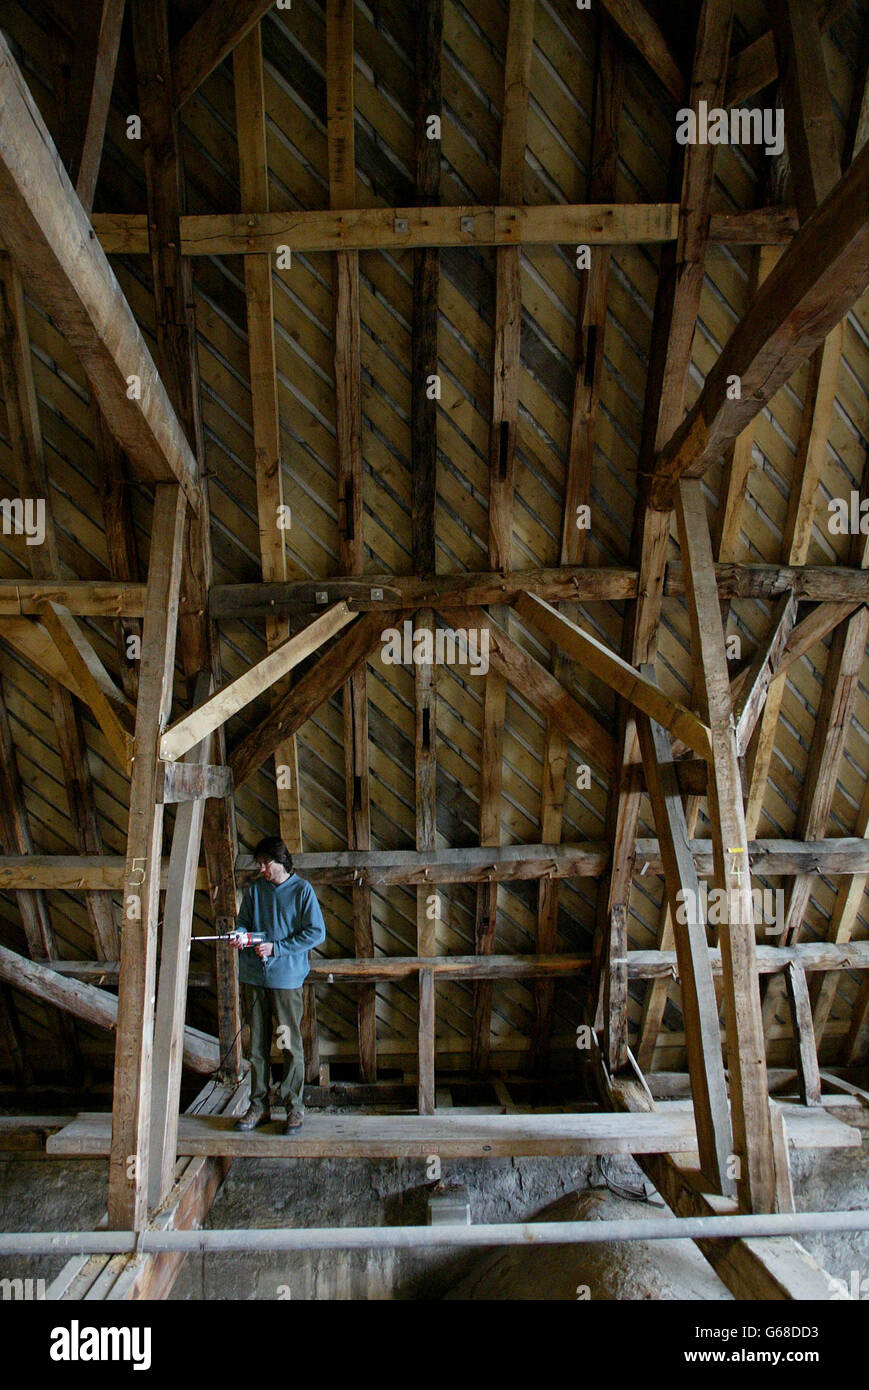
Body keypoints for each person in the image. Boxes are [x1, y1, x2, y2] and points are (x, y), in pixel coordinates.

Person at [232, 836, 326, 1135]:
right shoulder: (255, 891)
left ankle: (293, 1107)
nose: (262, 870)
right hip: (253, 978)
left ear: (281, 862)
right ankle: (258, 1106)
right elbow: (243, 922)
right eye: (259, 864)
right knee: (256, 1046)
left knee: (288, 1044)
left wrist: (277, 948)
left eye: (265, 864)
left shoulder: (302, 891)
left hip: (286, 980)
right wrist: (240, 934)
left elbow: (316, 933)